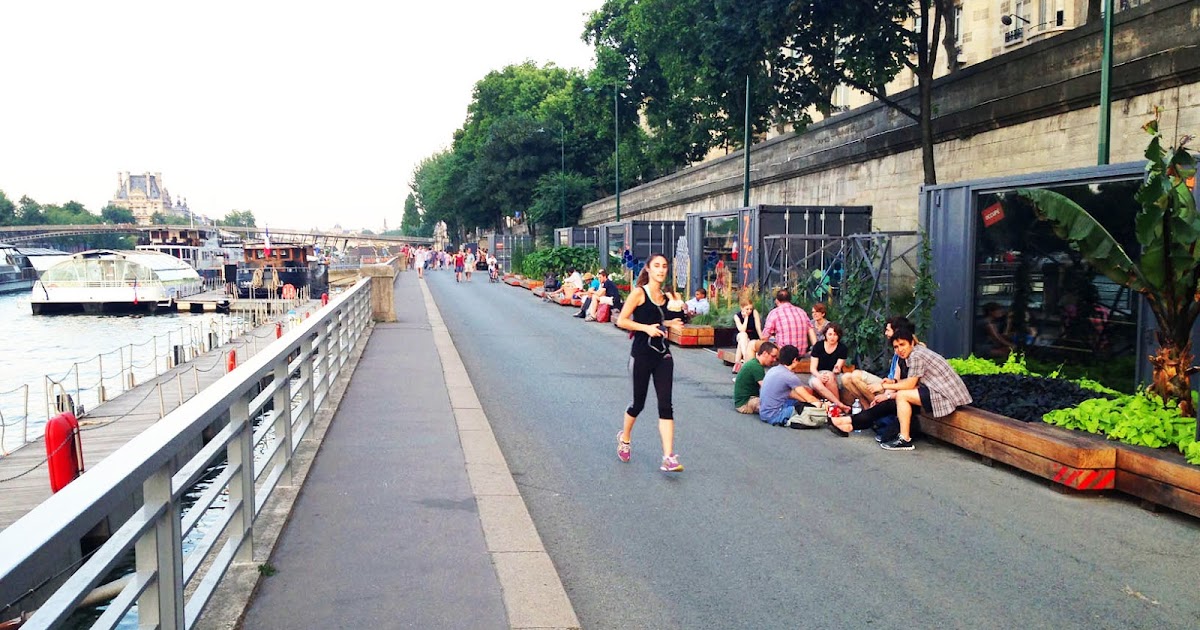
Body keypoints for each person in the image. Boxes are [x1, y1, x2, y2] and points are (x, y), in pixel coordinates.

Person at [830, 329, 971, 451]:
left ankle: (905, 439)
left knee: (901, 396)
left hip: (946, 395)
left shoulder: (916, 355)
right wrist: (892, 385)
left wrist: (884, 386)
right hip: (933, 390)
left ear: (911, 343)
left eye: (902, 345)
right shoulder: (912, 355)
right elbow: (911, 382)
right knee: (889, 402)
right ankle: (850, 423)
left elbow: (909, 384)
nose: (899, 349)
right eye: (896, 347)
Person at [615, 253, 687, 472]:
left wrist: (671, 323)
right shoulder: (639, 293)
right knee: (638, 404)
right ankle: (625, 438)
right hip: (641, 355)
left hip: (663, 355)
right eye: (656, 266)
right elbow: (622, 320)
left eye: (664, 266)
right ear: (647, 269)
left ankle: (668, 457)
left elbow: (660, 320)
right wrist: (646, 328)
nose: (661, 270)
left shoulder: (667, 297)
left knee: (666, 405)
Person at [757, 344, 822, 427]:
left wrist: (804, 401)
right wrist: (819, 404)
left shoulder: (773, 370)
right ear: (794, 360)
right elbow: (808, 397)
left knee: (797, 402)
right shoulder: (790, 377)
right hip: (775, 415)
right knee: (812, 407)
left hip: (764, 413)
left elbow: (789, 394)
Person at [808, 323, 850, 412]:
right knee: (816, 382)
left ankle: (836, 407)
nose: (832, 337)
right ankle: (839, 405)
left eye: (835, 335)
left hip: (835, 375)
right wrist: (819, 376)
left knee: (829, 376)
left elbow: (838, 366)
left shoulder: (842, 348)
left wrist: (836, 369)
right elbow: (812, 368)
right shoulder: (818, 346)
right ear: (825, 335)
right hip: (818, 374)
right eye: (830, 334)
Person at [761, 288, 813, 356]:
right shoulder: (801, 311)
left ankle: (757, 365)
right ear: (790, 299)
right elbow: (810, 330)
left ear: (777, 300)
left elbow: (764, 337)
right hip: (801, 353)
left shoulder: (775, 313)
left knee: (752, 345)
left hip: (784, 354)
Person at [733, 341, 778, 414]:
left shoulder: (754, 363)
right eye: (773, 356)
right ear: (765, 353)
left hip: (743, 400)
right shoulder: (756, 367)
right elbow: (766, 388)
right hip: (745, 403)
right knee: (773, 405)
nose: (774, 360)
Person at [731, 294, 764, 375]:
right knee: (743, 335)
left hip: (752, 336)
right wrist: (746, 318)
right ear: (742, 308)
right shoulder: (737, 316)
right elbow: (742, 329)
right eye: (747, 309)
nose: (749, 311)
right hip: (741, 335)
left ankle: (737, 364)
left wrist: (762, 339)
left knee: (742, 342)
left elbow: (757, 327)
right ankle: (747, 360)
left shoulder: (754, 312)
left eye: (750, 309)